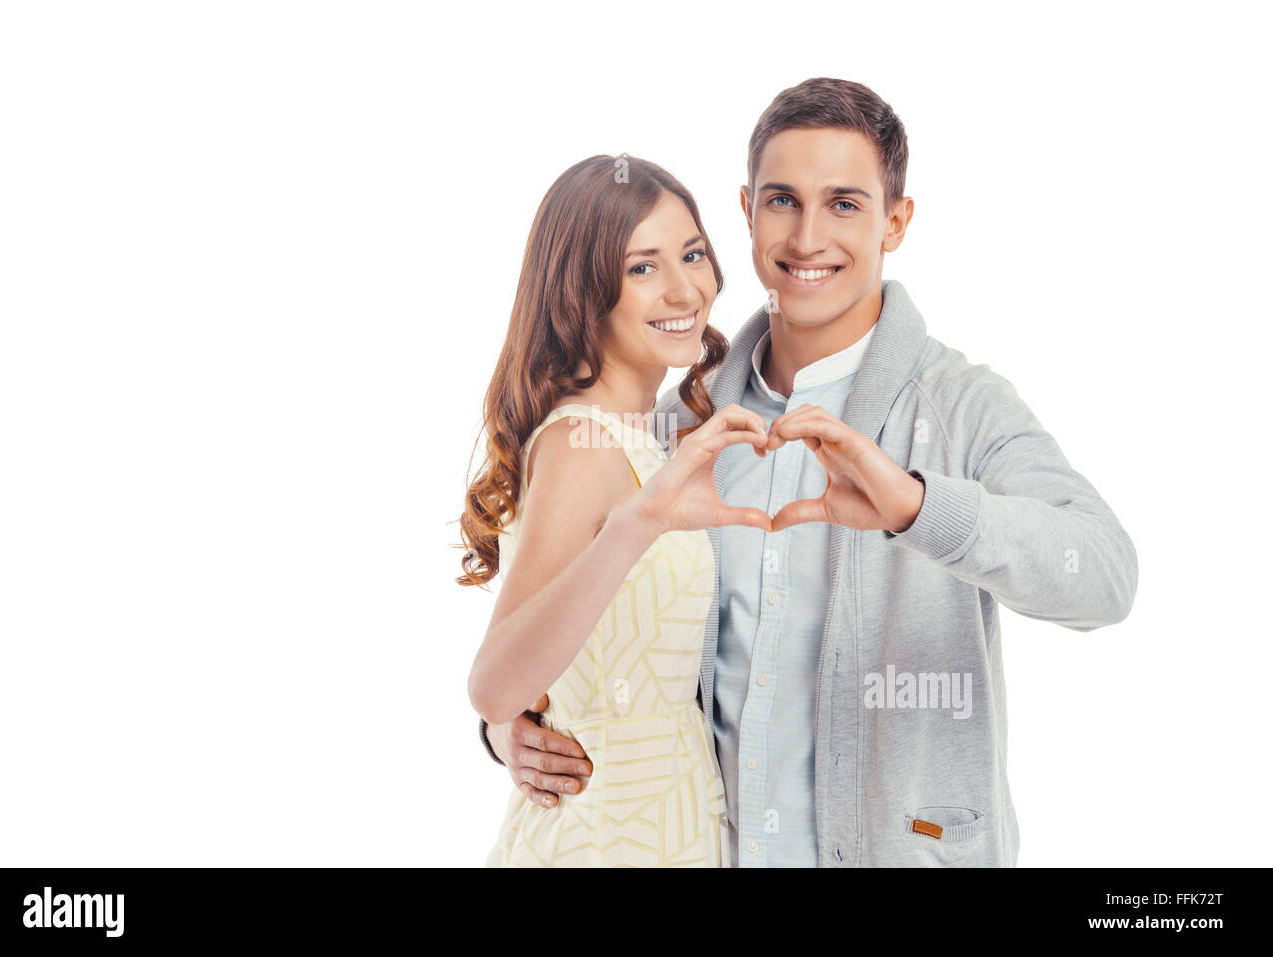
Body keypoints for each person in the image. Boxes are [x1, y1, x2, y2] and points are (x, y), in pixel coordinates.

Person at [478, 78, 1138, 867]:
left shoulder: (962, 406)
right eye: (783, 200)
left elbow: (1103, 574)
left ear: (897, 222)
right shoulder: (684, 423)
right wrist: (515, 725)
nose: (807, 237)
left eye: (846, 204)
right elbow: (611, 631)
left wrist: (918, 508)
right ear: (748, 210)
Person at [458, 154, 777, 866]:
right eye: (642, 267)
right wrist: (638, 525)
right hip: (606, 839)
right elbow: (495, 683)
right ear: (583, 292)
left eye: (692, 253)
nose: (684, 287)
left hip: (664, 829)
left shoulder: (638, 437)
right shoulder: (583, 442)